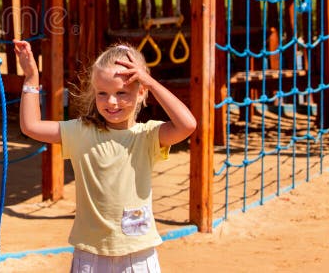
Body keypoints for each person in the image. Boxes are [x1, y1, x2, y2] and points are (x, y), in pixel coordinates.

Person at [13, 41, 197, 273]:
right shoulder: (81, 132)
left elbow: (187, 125)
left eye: (121, 93)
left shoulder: (147, 136)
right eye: (103, 93)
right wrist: (31, 77)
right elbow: (31, 126)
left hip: (138, 255)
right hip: (91, 255)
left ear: (141, 92)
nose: (111, 102)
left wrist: (149, 81)